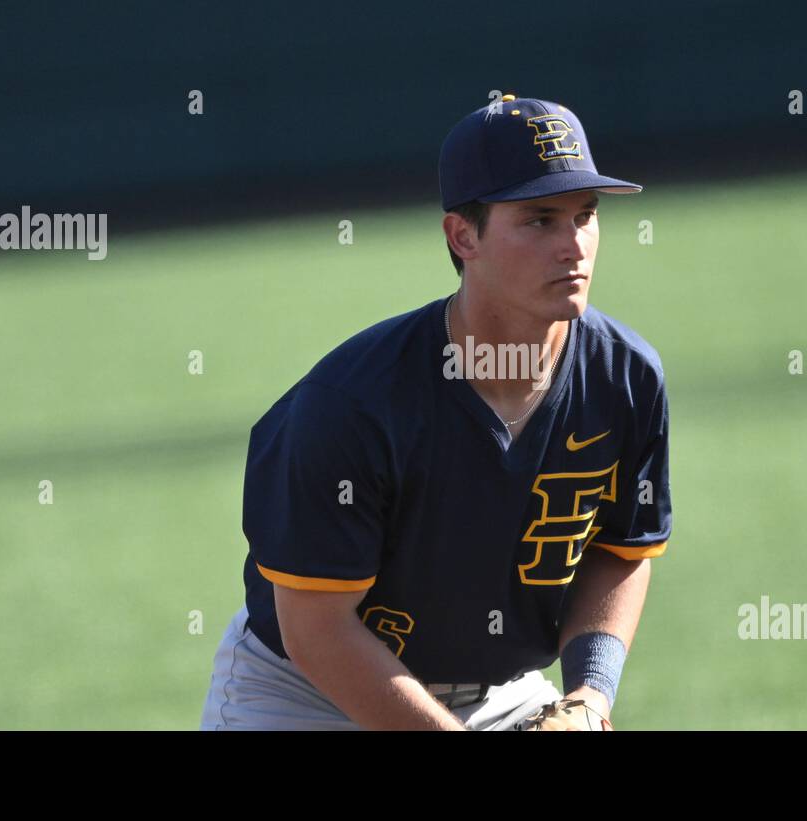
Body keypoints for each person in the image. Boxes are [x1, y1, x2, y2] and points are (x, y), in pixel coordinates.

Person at [199, 93, 671, 730]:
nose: (574, 245)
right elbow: (318, 633)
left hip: (501, 694)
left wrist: (589, 696)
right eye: (539, 219)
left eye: (585, 215)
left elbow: (620, 548)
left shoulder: (626, 379)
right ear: (462, 235)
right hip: (311, 695)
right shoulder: (354, 404)